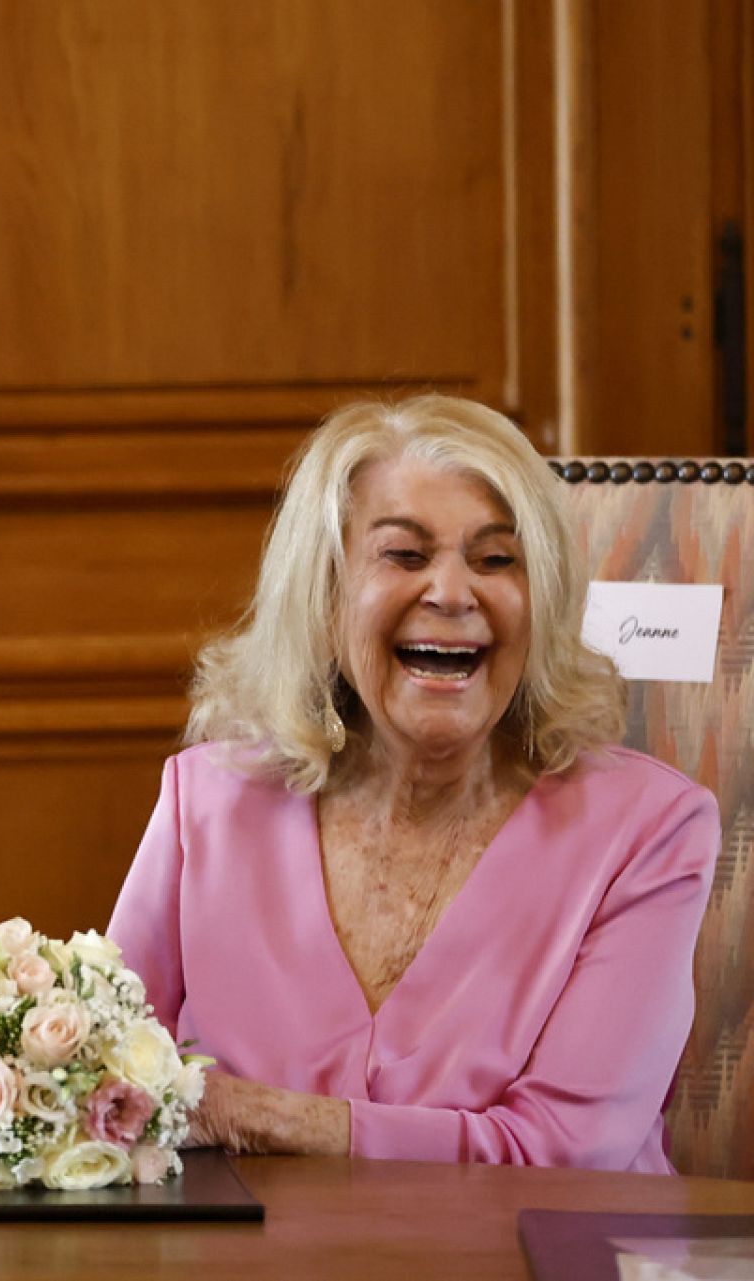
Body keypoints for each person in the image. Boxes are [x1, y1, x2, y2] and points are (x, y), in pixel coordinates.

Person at [107, 395, 720, 1172]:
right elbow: (102, 1074)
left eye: (497, 560)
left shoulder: (650, 828)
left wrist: (254, 1114)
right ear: (325, 595)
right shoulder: (208, 802)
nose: (454, 593)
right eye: (404, 555)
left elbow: (567, 1153)